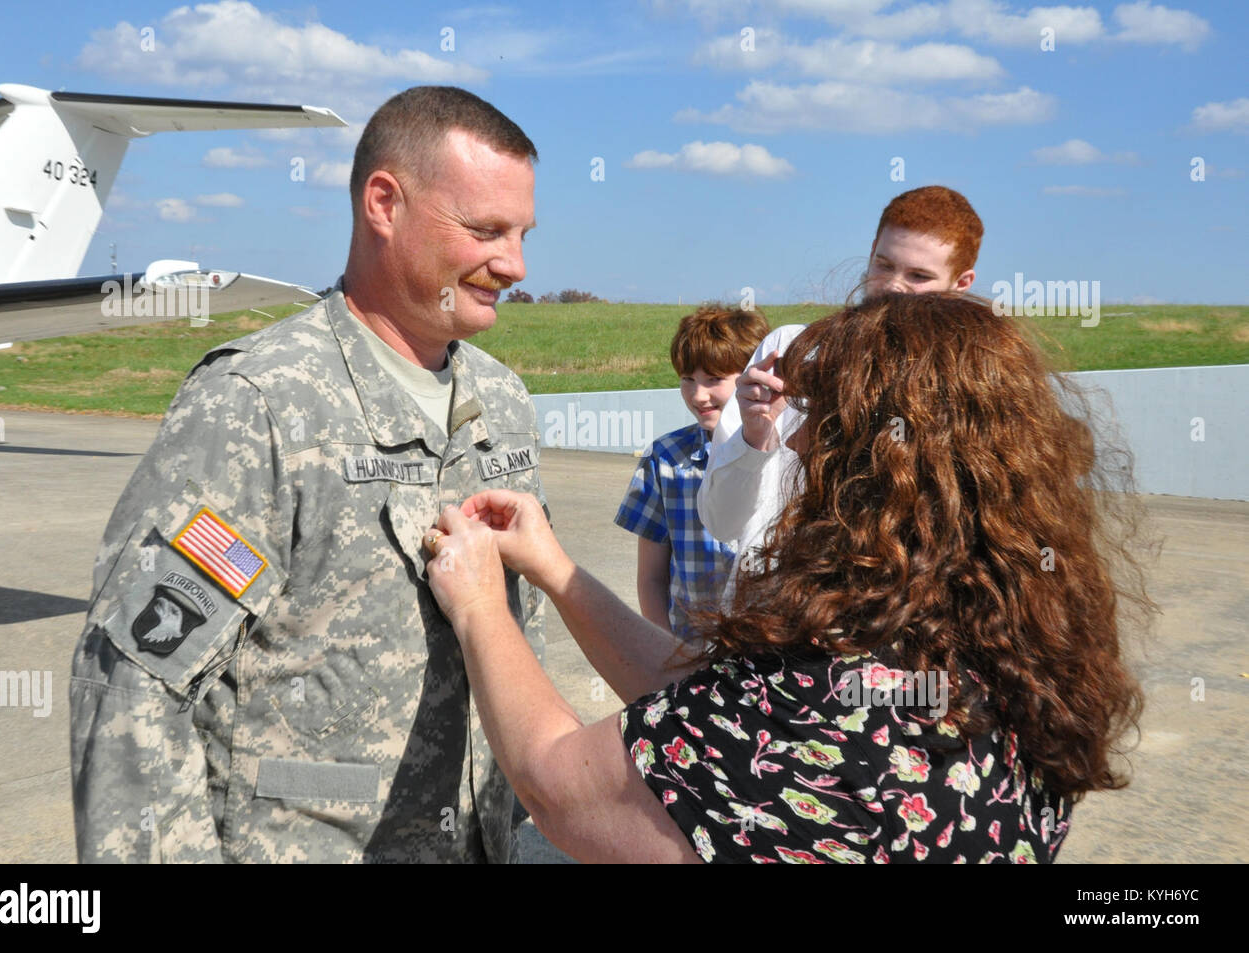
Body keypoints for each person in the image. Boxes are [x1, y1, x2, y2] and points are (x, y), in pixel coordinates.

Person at [421, 292, 1151, 863]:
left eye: (820, 423)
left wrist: (482, 603)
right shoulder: (1012, 652)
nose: (794, 439)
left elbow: (558, 784)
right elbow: (705, 700)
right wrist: (554, 569)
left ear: (880, 473)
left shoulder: (826, 703)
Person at [68, 86, 545, 863]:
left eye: (522, 233)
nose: (515, 264)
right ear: (384, 204)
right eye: (486, 230)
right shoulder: (259, 405)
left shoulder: (504, 403)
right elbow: (134, 689)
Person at [698, 186, 984, 594]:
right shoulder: (792, 351)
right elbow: (721, 522)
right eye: (883, 265)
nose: (893, 287)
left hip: (899, 633)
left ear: (961, 282)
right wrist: (754, 436)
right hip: (767, 625)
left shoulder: (971, 386)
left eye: (919, 276)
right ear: (870, 251)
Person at [614, 306, 770, 639]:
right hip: (691, 654)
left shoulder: (791, 457)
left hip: (774, 660)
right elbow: (651, 578)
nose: (698, 395)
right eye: (688, 379)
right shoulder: (664, 459)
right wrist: (663, 651)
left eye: (714, 379)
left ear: (754, 375)